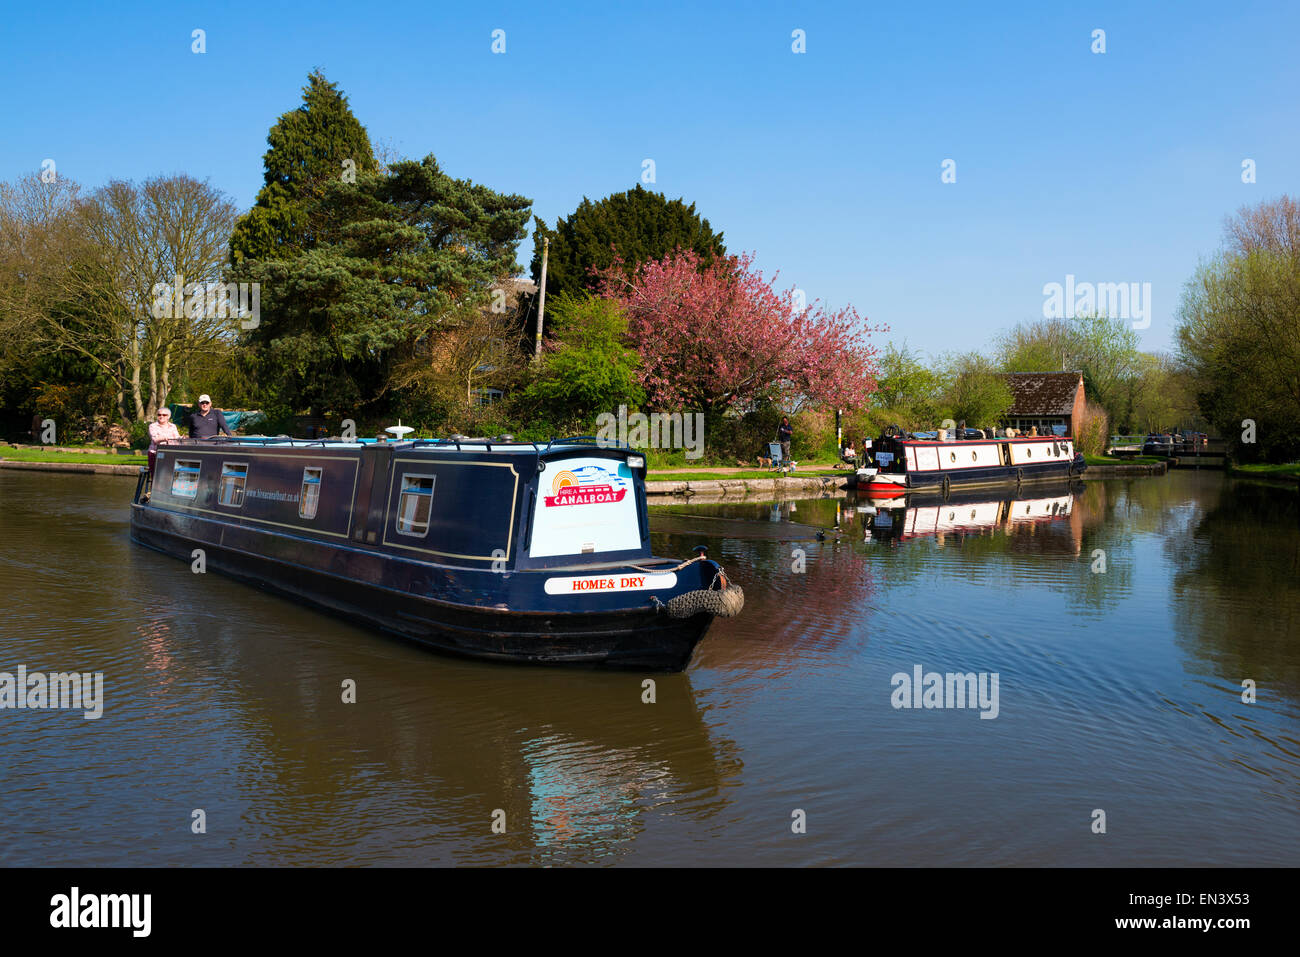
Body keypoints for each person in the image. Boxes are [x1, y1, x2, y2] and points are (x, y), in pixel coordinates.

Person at [147, 407, 180, 474]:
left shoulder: (173, 426)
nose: (161, 416)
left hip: (170, 453)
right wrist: (166, 438)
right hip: (155, 453)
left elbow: (177, 439)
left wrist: (181, 439)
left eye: (164, 415)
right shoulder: (152, 426)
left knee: (169, 474)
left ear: (169, 416)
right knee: (156, 475)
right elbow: (155, 440)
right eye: (159, 415)